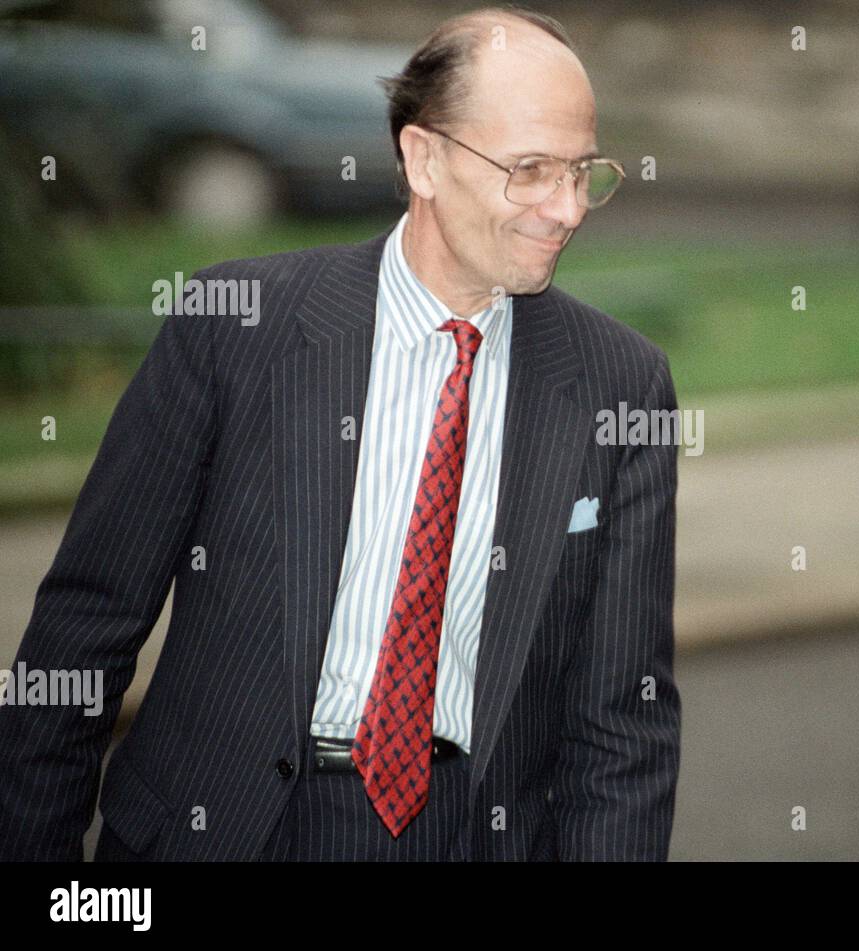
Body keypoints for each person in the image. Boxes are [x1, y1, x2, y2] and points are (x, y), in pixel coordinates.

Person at [0, 6, 681, 862]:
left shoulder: (622, 385)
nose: (567, 208)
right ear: (423, 157)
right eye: (531, 170)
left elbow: (623, 724)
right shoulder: (235, 329)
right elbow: (84, 630)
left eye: (585, 171)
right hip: (222, 830)